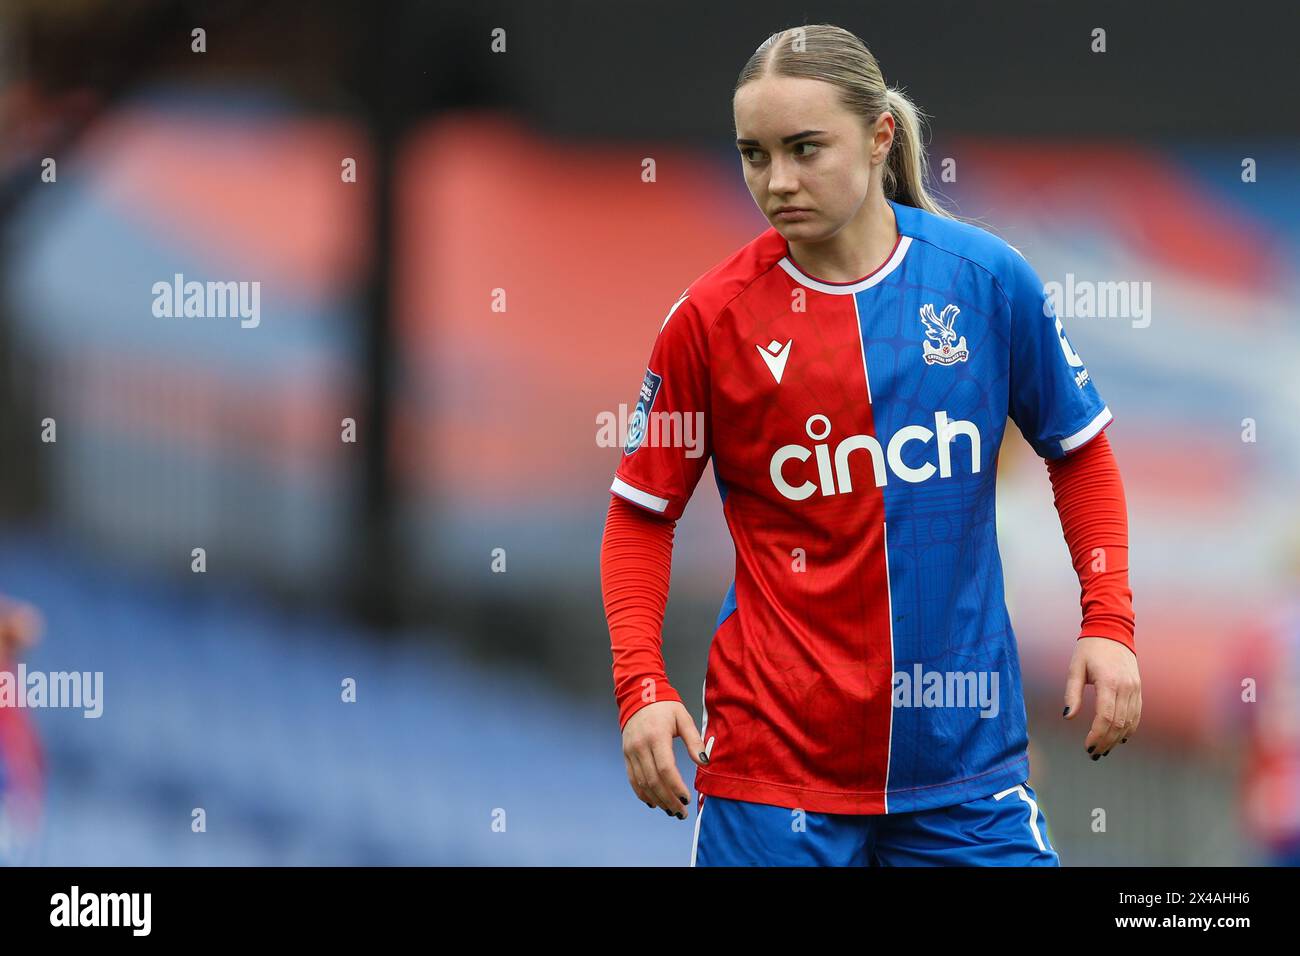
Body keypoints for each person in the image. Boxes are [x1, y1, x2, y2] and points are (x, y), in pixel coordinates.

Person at [599, 23, 1138, 866]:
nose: (777, 181)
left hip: (966, 772)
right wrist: (641, 684)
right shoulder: (708, 322)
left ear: (880, 137)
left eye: (805, 148)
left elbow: (1078, 452)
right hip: (772, 776)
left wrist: (1108, 623)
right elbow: (640, 514)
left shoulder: (987, 284)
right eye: (753, 154)